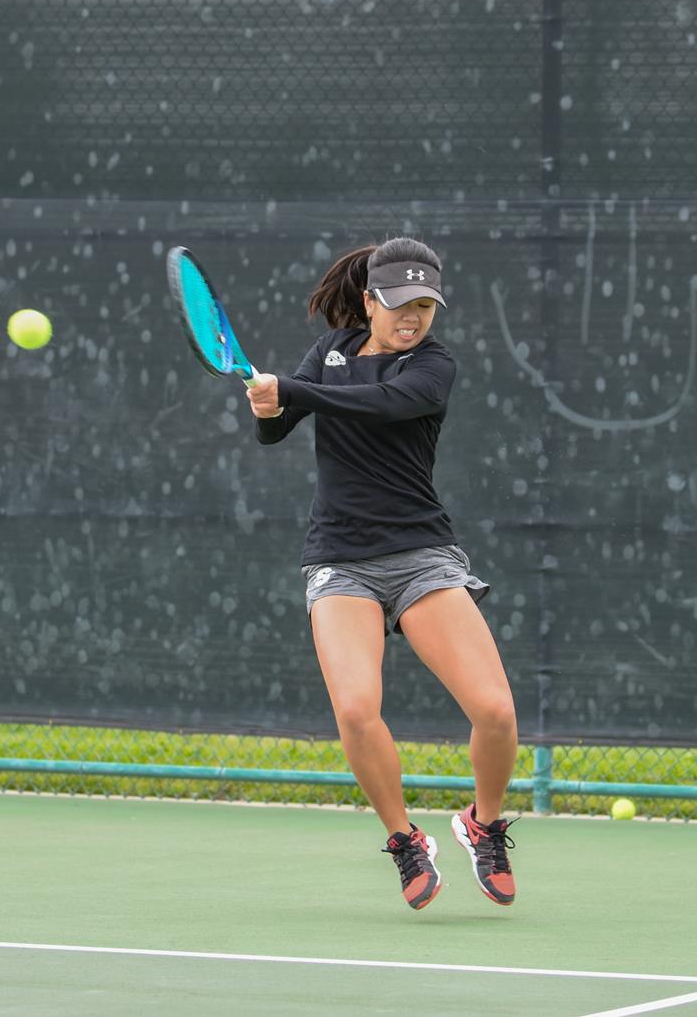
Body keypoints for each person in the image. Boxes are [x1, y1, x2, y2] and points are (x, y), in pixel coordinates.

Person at [244, 237, 519, 911]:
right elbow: (276, 432)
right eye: (400, 304)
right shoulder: (331, 352)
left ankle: (482, 823)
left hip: (420, 554)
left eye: (426, 305)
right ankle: (404, 840)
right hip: (339, 558)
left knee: (495, 709)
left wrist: (295, 388)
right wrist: (267, 406)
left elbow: (384, 406)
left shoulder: (432, 366)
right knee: (356, 709)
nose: (413, 317)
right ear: (369, 301)